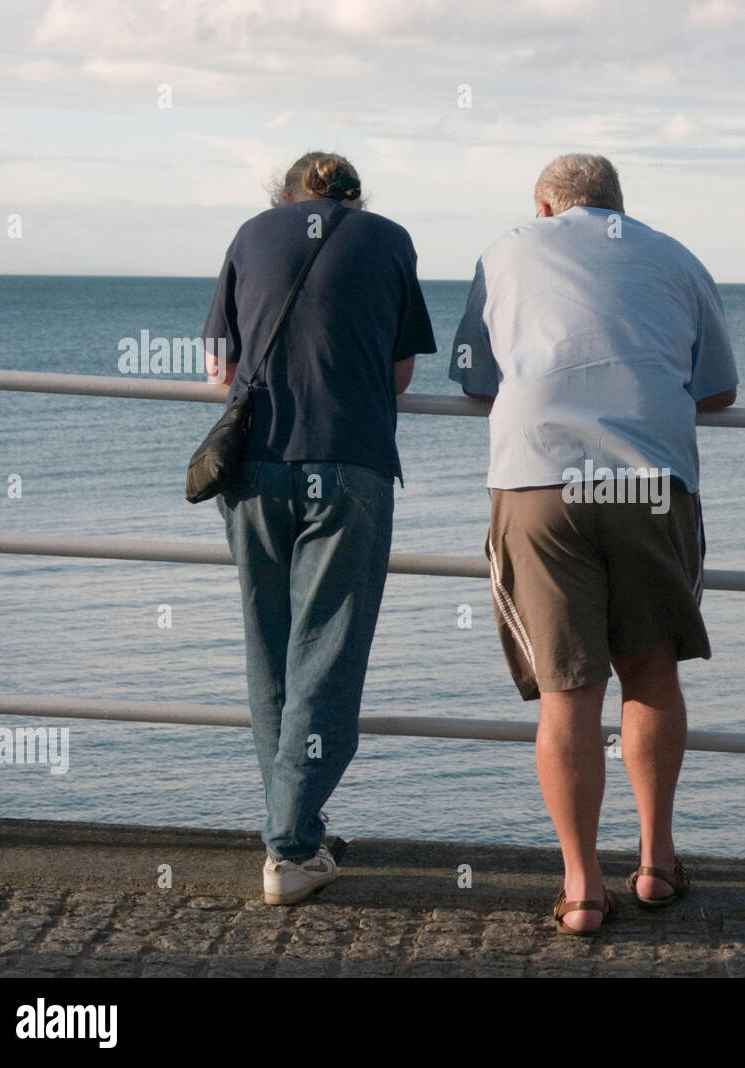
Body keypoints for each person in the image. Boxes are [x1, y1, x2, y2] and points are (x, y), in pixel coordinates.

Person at [449, 153, 738, 934]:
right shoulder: (676, 255)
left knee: (568, 690)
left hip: (540, 480)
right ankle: (654, 864)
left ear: (544, 207)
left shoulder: (505, 251)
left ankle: (580, 889)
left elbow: (476, 380)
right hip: (650, 478)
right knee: (651, 670)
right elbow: (718, 389)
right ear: (619, 206)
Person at [202, 151, 436, 905]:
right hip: (350, 466)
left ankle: (292, 834)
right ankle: (293, 846)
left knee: (271, 654)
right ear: (354, 198)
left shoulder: (249, 235)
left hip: (254, 470)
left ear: (285, 194)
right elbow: (400, 376)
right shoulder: (389, 239)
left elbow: (219, 371)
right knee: (326, 657)